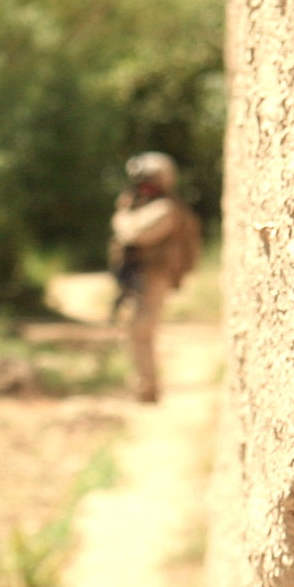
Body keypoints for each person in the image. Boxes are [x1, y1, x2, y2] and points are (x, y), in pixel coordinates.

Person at [108, 151, 198, 403]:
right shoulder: (145, 205)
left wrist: (122, 213)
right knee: (135, 329)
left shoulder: (165, 209)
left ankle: (146, 386)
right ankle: (143, 384)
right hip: (142, 275)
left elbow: (132, 233)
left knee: (141, 329)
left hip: (155, 277)